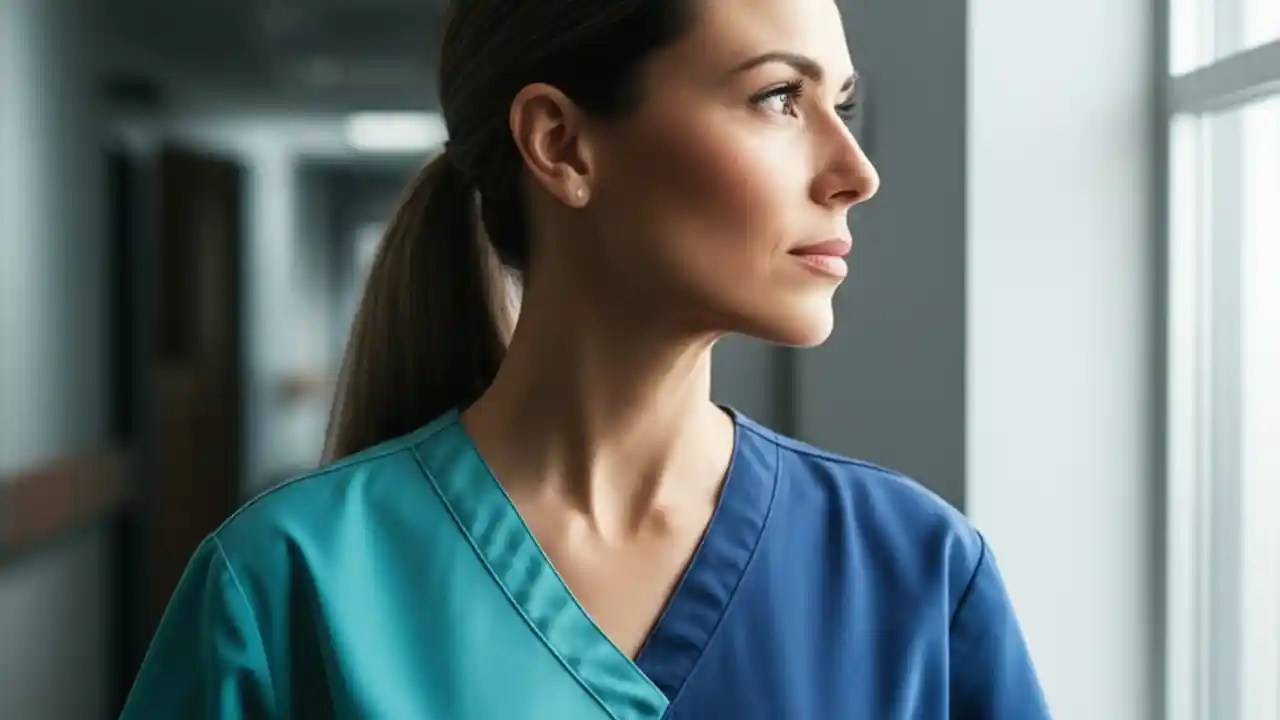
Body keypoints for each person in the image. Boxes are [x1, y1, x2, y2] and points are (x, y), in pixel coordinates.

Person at [121, 0, 1050, 717]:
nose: (856, 170)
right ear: (561, 144)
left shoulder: (917, 571)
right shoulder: (286, 584)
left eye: (840, 104)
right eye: (779, 97)